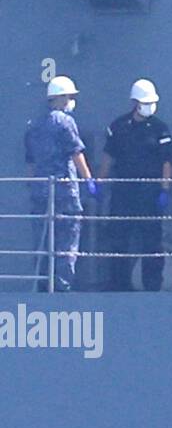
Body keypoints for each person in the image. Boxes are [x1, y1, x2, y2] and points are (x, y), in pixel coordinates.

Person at [99, 79, 172, 291]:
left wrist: (164, 190)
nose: (149, 105)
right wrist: (99, 183)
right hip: (123, 192)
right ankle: (119, 286)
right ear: (135, 102)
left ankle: (152, 286)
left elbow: (166, 162)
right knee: (119, 240)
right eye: (146, 102)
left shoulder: (160, 129)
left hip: (150, 193)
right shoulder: (119, 127)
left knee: (152, 242)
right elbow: (108, 156)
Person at [24, 76, 97, 291]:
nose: (71, 101)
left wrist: (31, 185)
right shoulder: (65, 122)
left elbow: (30, 160)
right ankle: (62, 287)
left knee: (43, 241)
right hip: (64, 191)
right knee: (67, 241)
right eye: (69, 97)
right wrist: (89, 180)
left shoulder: (34, 124)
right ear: (60, 98)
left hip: (40, 192)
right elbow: (76, 153)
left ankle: (41, 284)